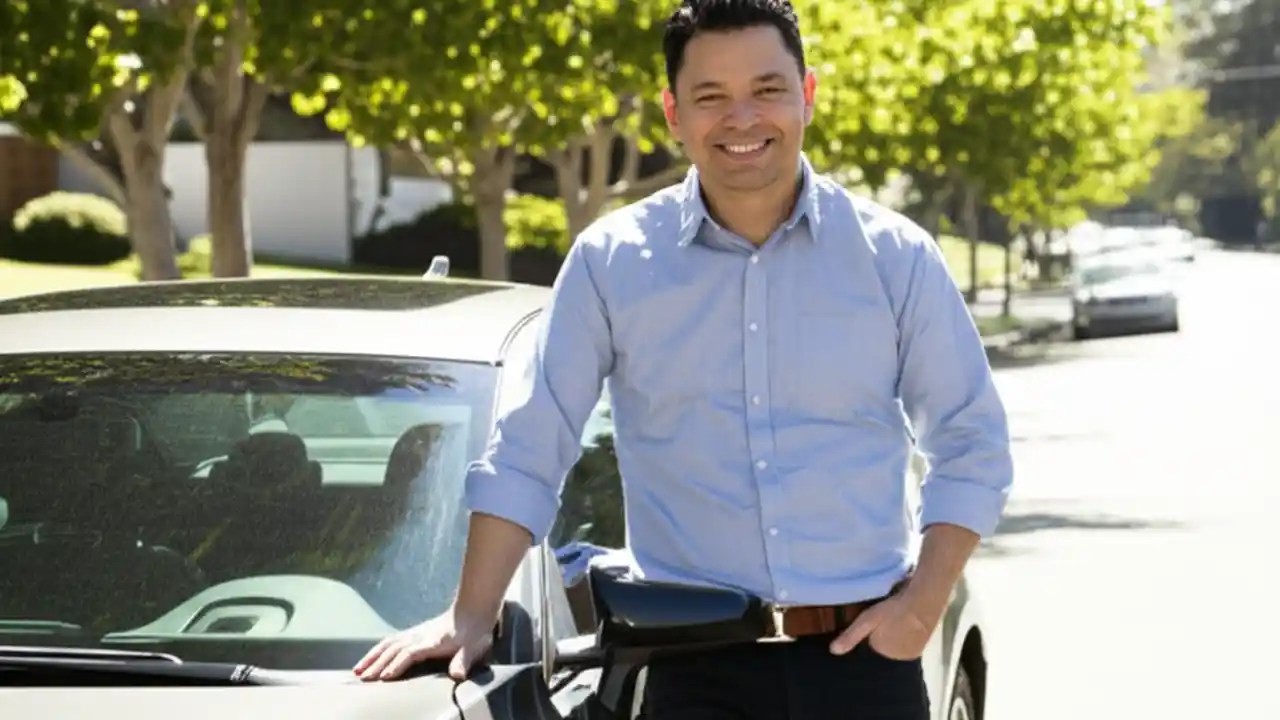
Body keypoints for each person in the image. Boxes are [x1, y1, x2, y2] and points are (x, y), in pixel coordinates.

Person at [353, 1, 1014, 718]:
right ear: (673, 111)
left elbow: (971, 444)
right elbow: (528, 448)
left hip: (863, 666)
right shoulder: (612, 264)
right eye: (711, 97)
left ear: (808, 95)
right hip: (687, 674)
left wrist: (923, 606)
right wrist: (471, 613)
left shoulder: (896, 259)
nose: (742, 119)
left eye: (767, 90)